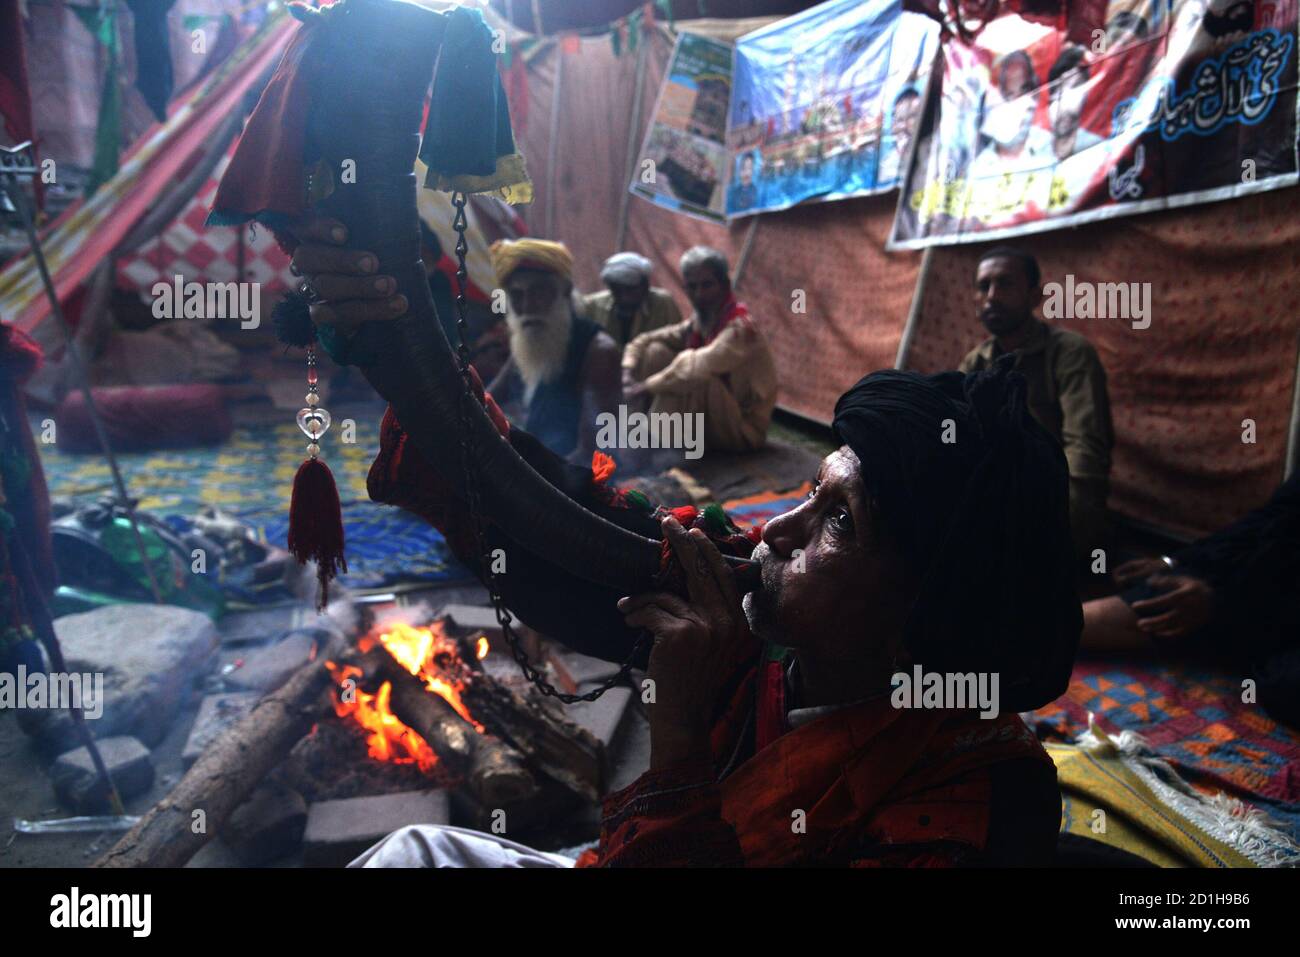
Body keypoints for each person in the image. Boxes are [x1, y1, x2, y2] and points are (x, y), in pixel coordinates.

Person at [350, 359, 1082, 867]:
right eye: (809, 491)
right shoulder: (770, 627)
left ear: (928, 609)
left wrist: (676, 740)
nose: (777, 531)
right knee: (411, 852)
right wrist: (417, 378)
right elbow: (580, 528)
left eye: (841, 522)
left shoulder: (978, 805)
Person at [1081, 472, 1300, 727]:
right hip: (1268, 582)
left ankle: (1238, 637)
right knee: (1168, 593)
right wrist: (1177, 561)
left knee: (1283, 685)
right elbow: (1273, 520)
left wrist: (1224, 601)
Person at [959, 247, 1114, 563]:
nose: (991, 296)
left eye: (1005, 284)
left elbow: (1085, 454)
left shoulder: (1069, 353)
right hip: (994, 493)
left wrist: (1051, 526)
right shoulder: (977, 361)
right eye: (983, 286)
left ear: (1034, 296)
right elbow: (954, 433)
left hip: (1053, 499)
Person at [622, 246, 777, 455]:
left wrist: (642, 389)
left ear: (724, 286)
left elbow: (694, 368)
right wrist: (627, 373)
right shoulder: (700, 323)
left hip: (742, 429)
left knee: (692, 373)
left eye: (707, 285)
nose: (699, 294)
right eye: (692, 287)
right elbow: (644, 340)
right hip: (710, 418)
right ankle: (650, 436)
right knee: (656, 351)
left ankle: (655, 445)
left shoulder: (740, 329)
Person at [483, 239, 621, 464]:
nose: (527, 305)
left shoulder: (599, 353)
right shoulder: (528, 341)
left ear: (565, 292)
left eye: (539, 292)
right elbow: (487, 400)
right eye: (517, 295)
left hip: (569, 483)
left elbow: (593, 456)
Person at [581, 252, 683, 349]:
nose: (624, 297)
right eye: (617, 291)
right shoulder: (592, 305)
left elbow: (679, 340)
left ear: (645, 285)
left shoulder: (663, 303)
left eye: (630, 290)